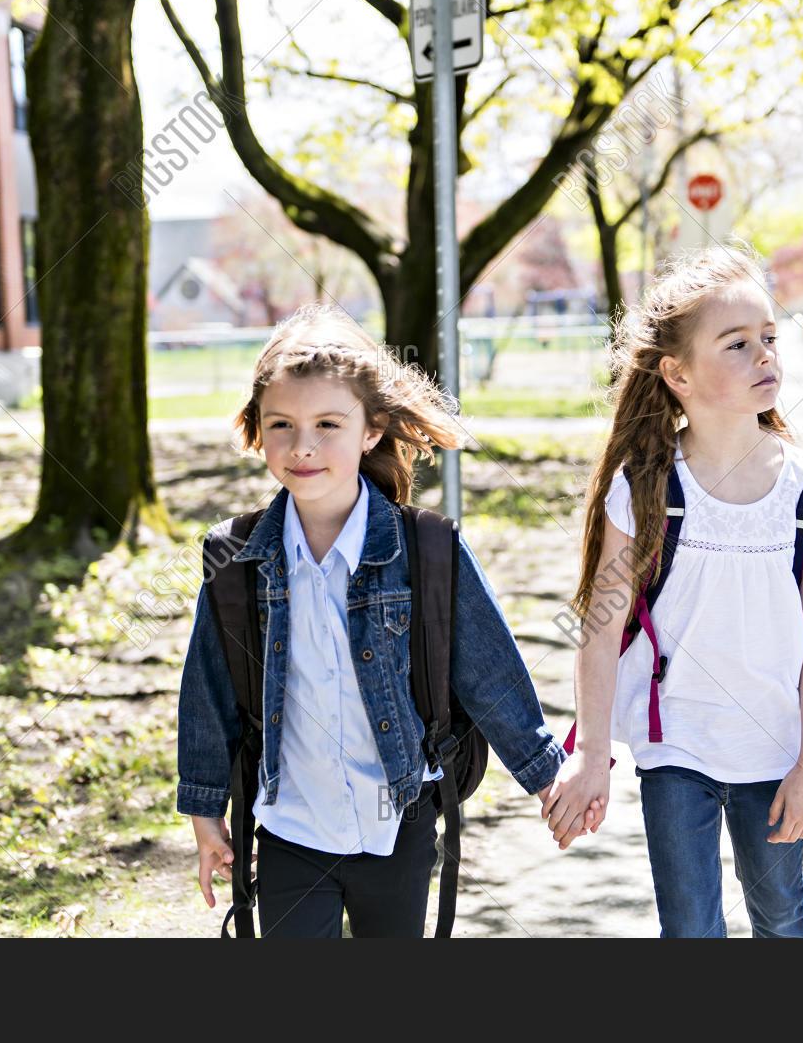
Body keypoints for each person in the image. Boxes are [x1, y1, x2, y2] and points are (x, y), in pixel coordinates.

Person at [175, 305, 592, 937]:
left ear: (371, 429)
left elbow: (489, 672)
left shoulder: (426, 550)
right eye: (281, 424)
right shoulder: (235, 557)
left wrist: (545, 777)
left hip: (399, 822)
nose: (303, 446)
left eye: (327, 424)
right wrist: (206, 813)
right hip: (291, 827)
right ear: (257, 431)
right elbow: (206, 692)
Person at [542, 241, 803, 938]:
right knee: (690, 929)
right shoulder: (649, 485)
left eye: (769, 338)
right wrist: (593, 754)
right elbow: (602, 623)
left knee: (780, 914)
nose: (765, 355)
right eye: (737, 344)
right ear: (677, 373)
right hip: (674, 744)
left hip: (773, 749)